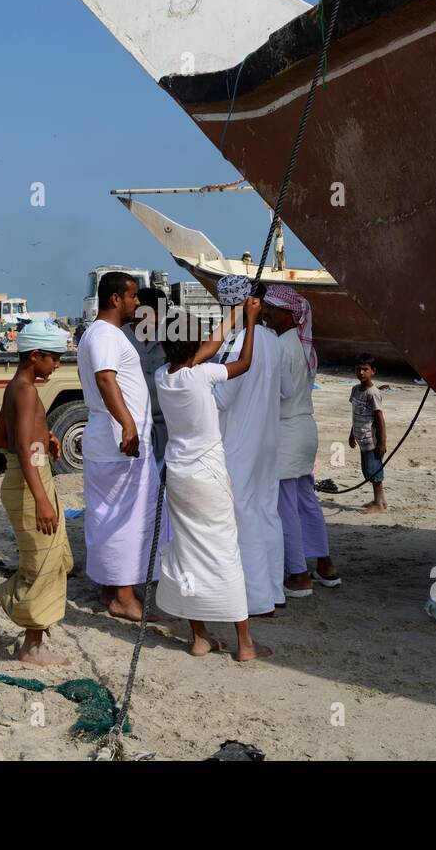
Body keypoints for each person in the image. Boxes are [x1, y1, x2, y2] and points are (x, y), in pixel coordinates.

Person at [155, 297, 271, 662]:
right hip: (207, 475)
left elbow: (210, 346)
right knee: (224, 553)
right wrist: (251, 322)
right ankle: (245, 643)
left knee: (188, 551)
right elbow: (245, 362)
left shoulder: (164, 375)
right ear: (193, 346)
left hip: (178, 475)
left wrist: (235, 313)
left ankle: (200, 636)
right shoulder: (200, 375)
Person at [0, 320, 75, 666]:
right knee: (43, 564)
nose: (58, 364)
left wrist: (44, 437)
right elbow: (19, 446)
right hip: (31, 486)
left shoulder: (15, 386)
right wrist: (43, 500)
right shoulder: (27, 391)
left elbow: (1, 440)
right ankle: (31, 647)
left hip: (25, 479)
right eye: (55, 358)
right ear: (35, 356)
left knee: (55, 557)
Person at [77, 271, 166, 621]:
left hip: (114, 439)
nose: (137, 302)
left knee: (110, 515)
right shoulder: (105, 334)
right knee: (128, 519)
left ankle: (109, 588)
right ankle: (125, 597)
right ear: (116, 298)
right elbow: (105, 378)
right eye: (132, 297)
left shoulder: (103, 334)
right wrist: (128, 423)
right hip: (120, 441)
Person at [211, 275, 285, 616]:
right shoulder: (273, 340)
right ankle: (274, 588)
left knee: (245, 514)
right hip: (267, 439)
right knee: (267, 510)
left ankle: (257, 599)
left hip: (240, 440)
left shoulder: (240, 342)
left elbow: (221, 396)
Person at [262, 286, 342, 595]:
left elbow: (279, 393)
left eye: (270, 308)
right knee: (306, 501)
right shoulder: (302, 345)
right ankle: (325, 565)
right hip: (305, 428)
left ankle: (298, 574)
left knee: (285, 506)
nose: (265, 312)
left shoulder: (281, 346)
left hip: (287, 431)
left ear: (286, 313)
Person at [123, 286, 168, 462]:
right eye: (155, 313)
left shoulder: (168, 340)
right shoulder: (120, 339)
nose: (159, 319)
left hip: (163, 427)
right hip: (131, 427)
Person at [349, 353, 388, 513]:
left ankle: (378, 505)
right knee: (368, 471)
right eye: (358, 369)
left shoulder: (373, 393)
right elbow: (355, 414)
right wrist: (352, 434)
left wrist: (382, 442)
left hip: (371, 441)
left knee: (374, 472)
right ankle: (380, 500)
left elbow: (380, 419)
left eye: (365, 369)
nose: (361, 373)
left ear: (373, 371)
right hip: (361, 439)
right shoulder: (355, 390)